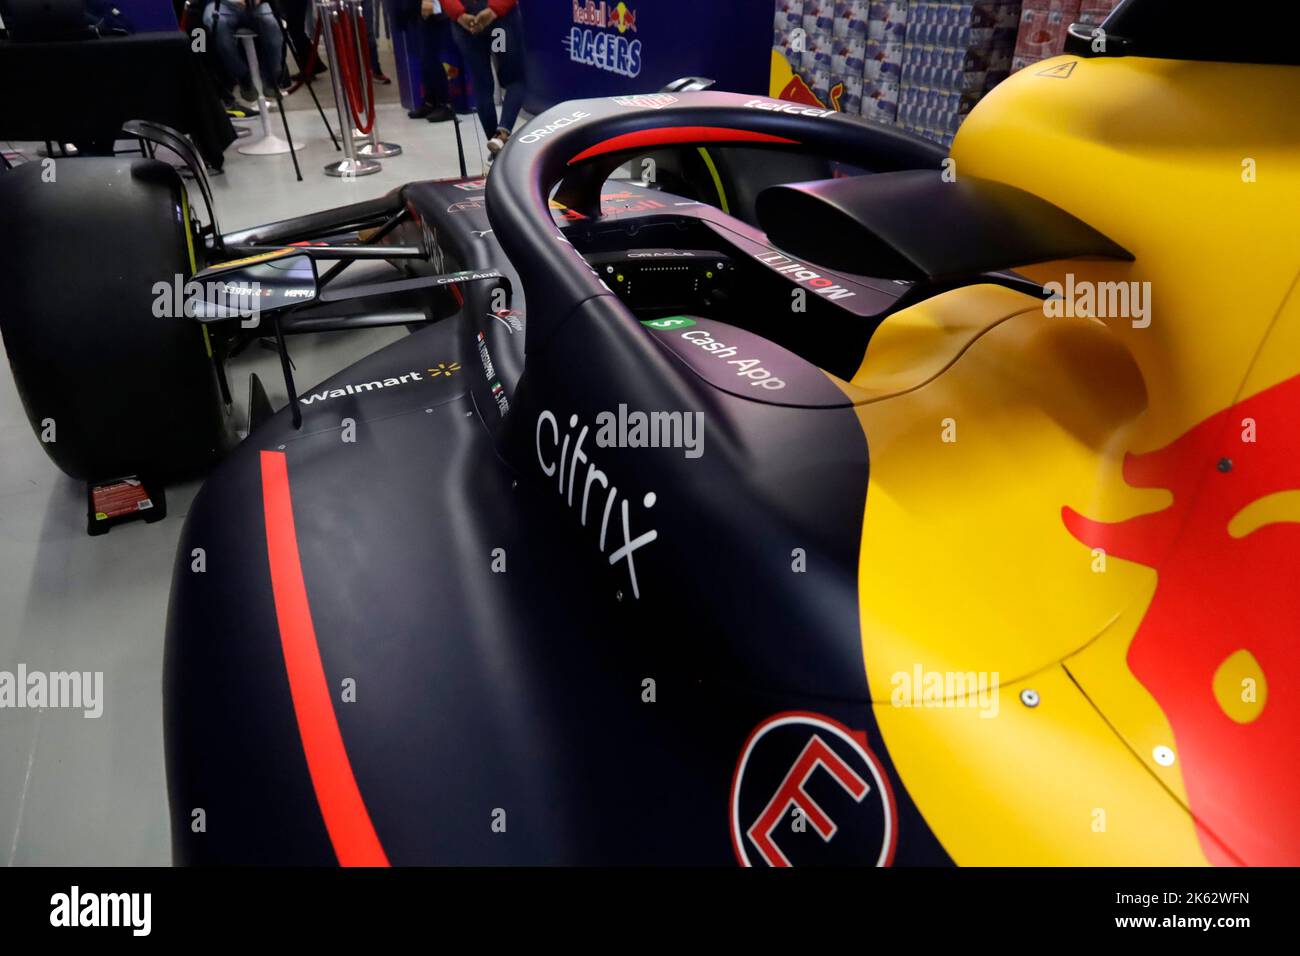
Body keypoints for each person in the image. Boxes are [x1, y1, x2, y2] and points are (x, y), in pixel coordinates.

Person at [443, 0, 525, 155]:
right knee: (515, 80)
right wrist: (493, 11)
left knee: (481, 85)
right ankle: (501, 135)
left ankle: (496, 151)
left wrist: (460, 15)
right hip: (499, 22)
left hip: (467, 25)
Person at [202, 0, 285, 103]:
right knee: (217, 26)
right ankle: (243, 76)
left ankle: (271, 78)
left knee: (272, 24)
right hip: (222, 4)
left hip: (257, 4)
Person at [406, 0, 454, 121]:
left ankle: (445, 104)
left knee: (433, 58)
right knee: (425, 58)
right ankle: (430, 102)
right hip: (421, 11)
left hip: (436, 10)